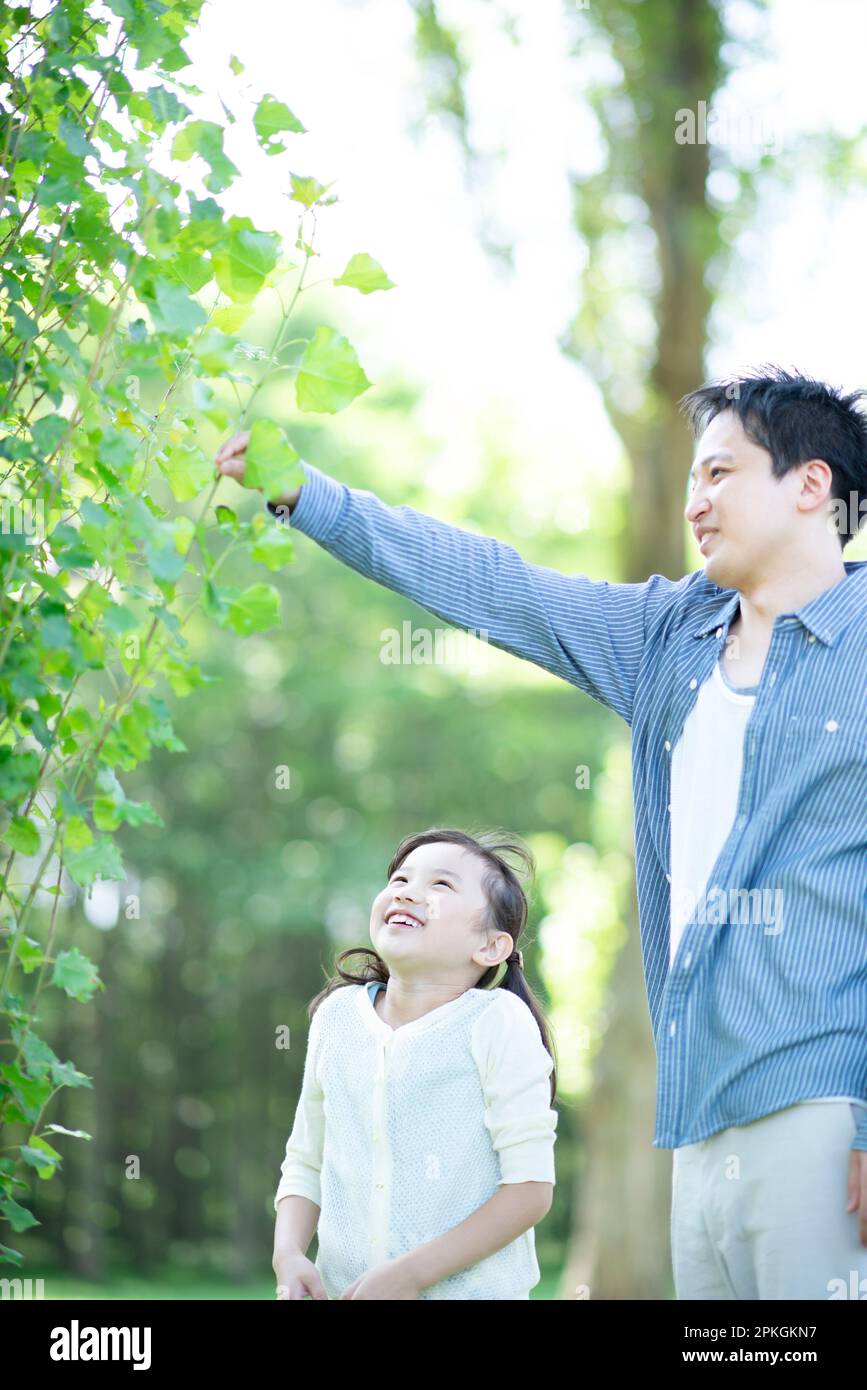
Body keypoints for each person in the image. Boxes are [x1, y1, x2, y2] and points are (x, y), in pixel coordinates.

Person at [217, 365, 867, 1299]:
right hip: (698, 1114)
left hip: (824, 1104)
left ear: (810, 485)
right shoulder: (666, 641)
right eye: (690, 478)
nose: (695, 500)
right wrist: (306, 496)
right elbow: (495, 586)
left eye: (720, 473)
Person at [270, 828, 558, 1301]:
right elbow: (305, 1161)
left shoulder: (497, 1022)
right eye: (401, 878)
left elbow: (529, 1191)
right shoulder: (337, 1017)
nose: (407, 891)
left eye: (441, 885)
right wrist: (289, 1255)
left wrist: (410, 1275)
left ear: (490, 947)